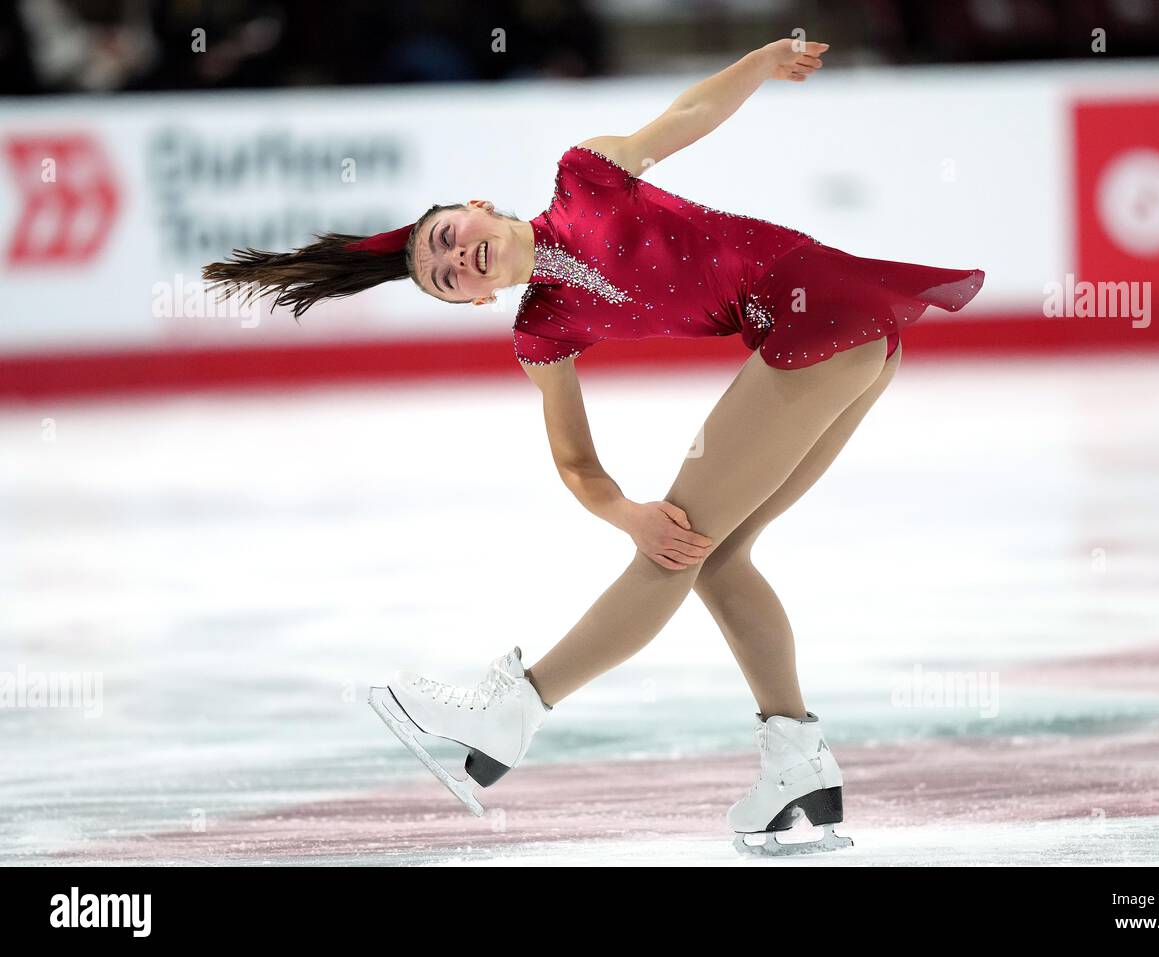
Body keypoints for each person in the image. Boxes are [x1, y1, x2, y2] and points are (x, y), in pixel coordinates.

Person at [204, 37, 985, 855]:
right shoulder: (542, 331)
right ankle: (799, 764)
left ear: (475, 206)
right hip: (843, 339)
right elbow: (576, 461)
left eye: (445, 237)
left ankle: (517, 706)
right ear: (470, 301)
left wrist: (758, 66)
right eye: (444, 276)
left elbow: (684, 116)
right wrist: (626, 514)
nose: (454, 259)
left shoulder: (585, 174)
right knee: (710, 552)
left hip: (818, 309)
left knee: (684, 543)